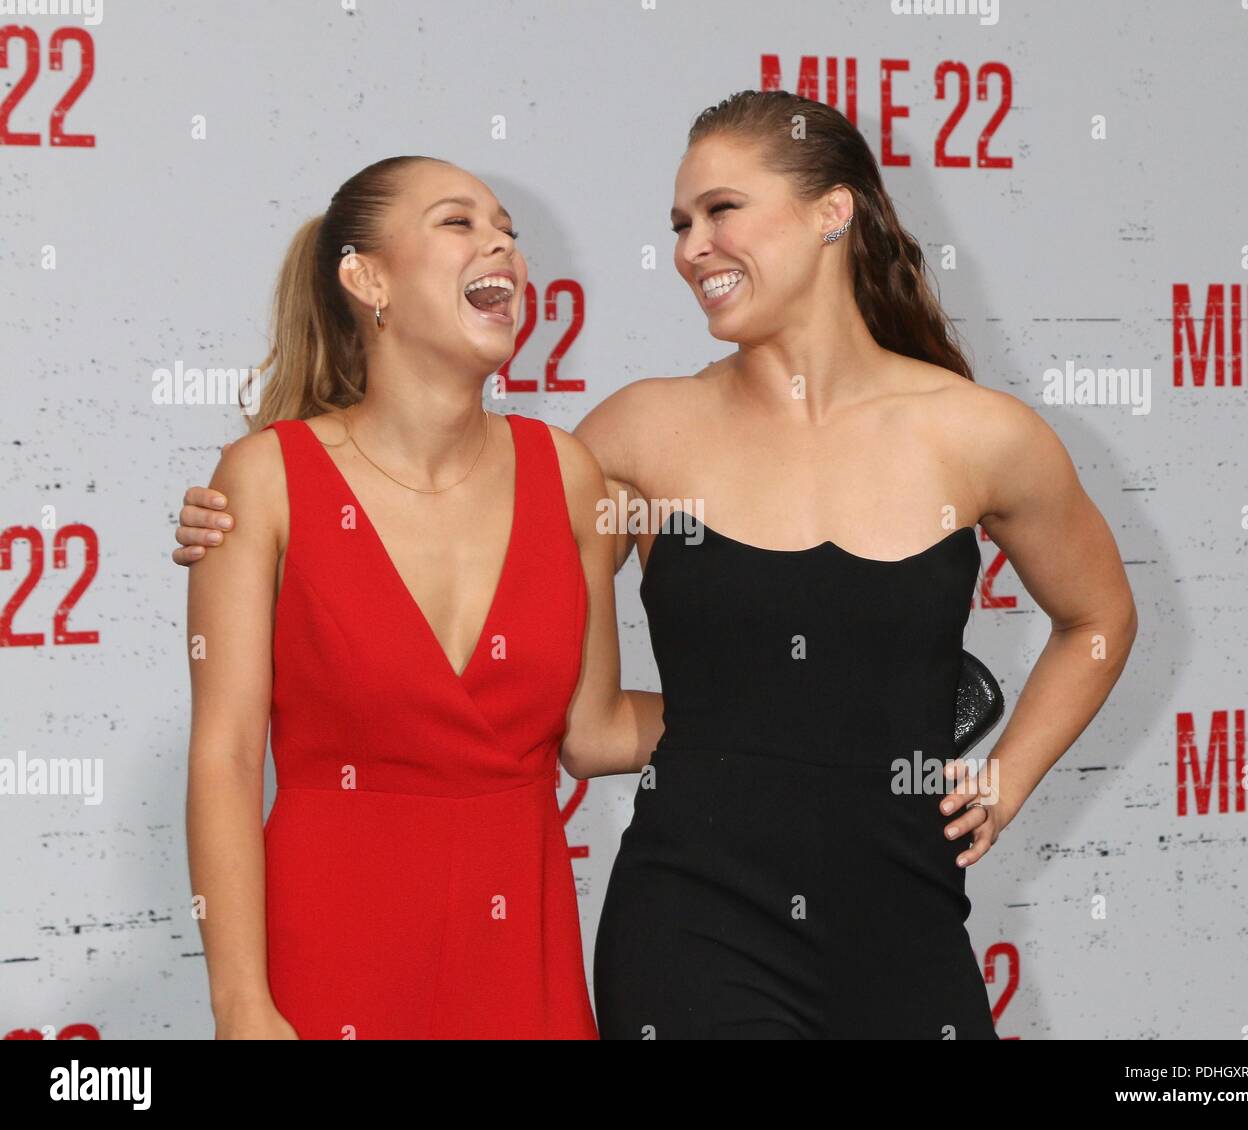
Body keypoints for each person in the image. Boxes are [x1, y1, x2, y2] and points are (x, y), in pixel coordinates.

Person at [177, 91, 1139, 1039]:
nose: (689, 248)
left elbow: (1099, 619)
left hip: (905, 919)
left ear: (832, 211)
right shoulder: (631, 439)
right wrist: (258, 514)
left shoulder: (982, 435)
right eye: (680, 223)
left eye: (721, 211)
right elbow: (573, 710)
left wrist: (1004, 780)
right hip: (692, 925)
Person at [185, 155, 661, 1040]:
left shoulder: (565, 473)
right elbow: (226, 756)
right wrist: (240, 1002)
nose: (503, 249)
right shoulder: (264, 483)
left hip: (521, 966)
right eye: (459, 223)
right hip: (325, 960)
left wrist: (786, 720)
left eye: (510, 234)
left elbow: (592, 732)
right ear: (368, 279)